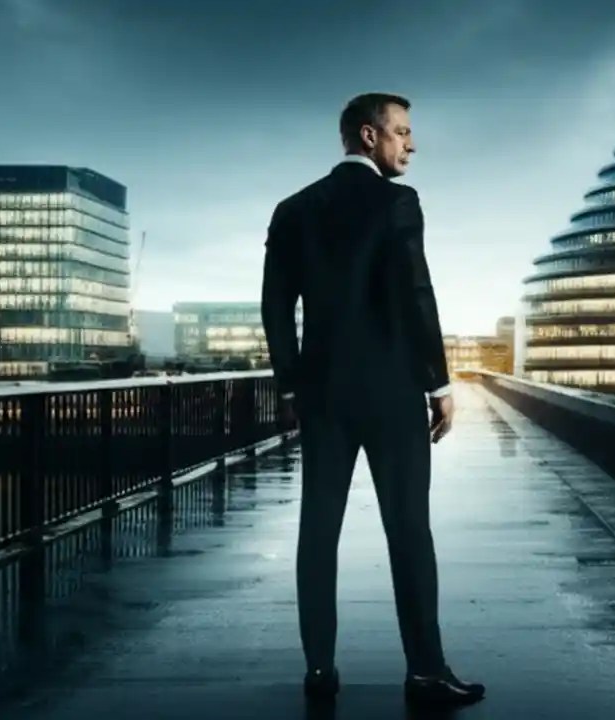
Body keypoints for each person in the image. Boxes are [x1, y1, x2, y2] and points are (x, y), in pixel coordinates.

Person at [260, 92, 486, 709]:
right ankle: (425, 671)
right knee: (409, 530)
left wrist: (289, 384)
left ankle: (319, 670)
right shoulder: (397, 202)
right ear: (369, 137)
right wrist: (440, 385)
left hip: (323, 397)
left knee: (317, 532)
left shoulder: (292, 210)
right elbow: (417, 294)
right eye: (403, 132)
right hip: (391, 395)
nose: (411, 144)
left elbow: (276, 308)